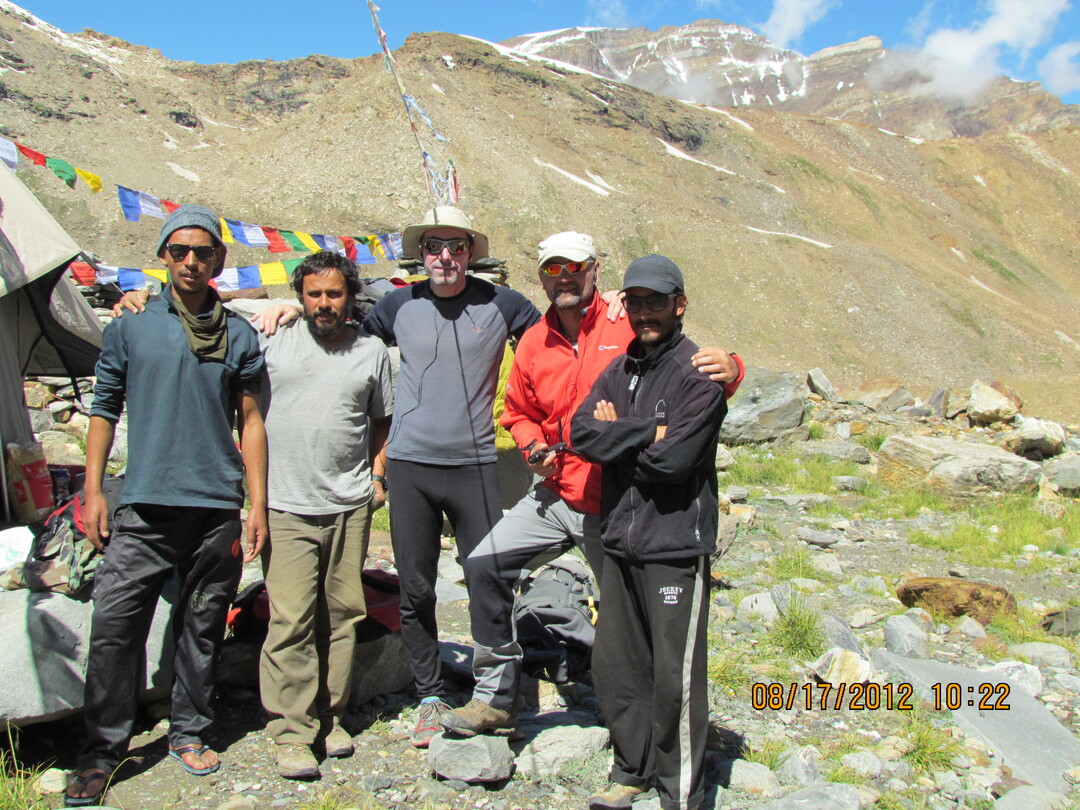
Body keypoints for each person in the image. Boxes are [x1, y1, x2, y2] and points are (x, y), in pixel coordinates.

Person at [254, 206, 544, 746]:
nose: (446, 258)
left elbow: (558, 339)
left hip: (476, 463)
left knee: (488, 579)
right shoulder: (398, 303)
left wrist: (612, 305)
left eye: (457, 247)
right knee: (416, 588)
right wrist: (285, 311)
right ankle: (429, 696)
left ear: (472, 253)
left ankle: (494, 697)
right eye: (435, 247)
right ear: (422, 253)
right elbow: (336, 334)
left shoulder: (504, 304)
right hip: (410, 466)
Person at [439, 233, 742, 738]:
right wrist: (533, 443)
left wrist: (733, 369)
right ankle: (495, 697)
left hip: (618, 503)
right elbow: (518, 412)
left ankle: (644, 722)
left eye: (573, 267)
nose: (563, 278)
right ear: (541, 277)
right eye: (552, 270)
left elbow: (693, 368)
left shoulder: (630, 319)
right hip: (555, 492)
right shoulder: (534, 340)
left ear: (594, 270)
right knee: (484, 565)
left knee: (639, 621)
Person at [66, 205, 268, 807]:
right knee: (114, 628)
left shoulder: (239, 334)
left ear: (219, 261)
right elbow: (103, 408)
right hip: (145, 507)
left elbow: (252, 423)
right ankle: (101, 752)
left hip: (214, 508)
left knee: (202, 626)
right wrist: (94, 489)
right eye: (178, 250)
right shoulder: (131, 326)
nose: (190, 260)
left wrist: (255, 506)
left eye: (202, 252)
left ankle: (190, 730)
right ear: (162, 257)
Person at [571, 255, 729, 810]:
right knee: (618, 665)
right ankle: (630, 768)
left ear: (679, 304)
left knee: (675, 678)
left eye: (655, 301)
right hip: (618, 541)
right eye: (634, 302)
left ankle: (679, 790)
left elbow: (674, 463)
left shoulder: (700, 373)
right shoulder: (619, 368)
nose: (643, 313)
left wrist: (621, 436)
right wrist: (647, 432)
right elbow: (582, 433)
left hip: (673, 545)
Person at [257, 252, 393, 779]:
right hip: (285, 502)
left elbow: (381, 421)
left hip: (349, 504)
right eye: (314, 294)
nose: (323, 304)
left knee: (343, 615)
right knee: (290, 618)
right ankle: (291, 730)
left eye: (333, 294)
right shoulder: (273, 340)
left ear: (350, 297)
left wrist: (377, 478)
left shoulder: (372, 352)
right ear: (300, 297)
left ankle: (329, 717)